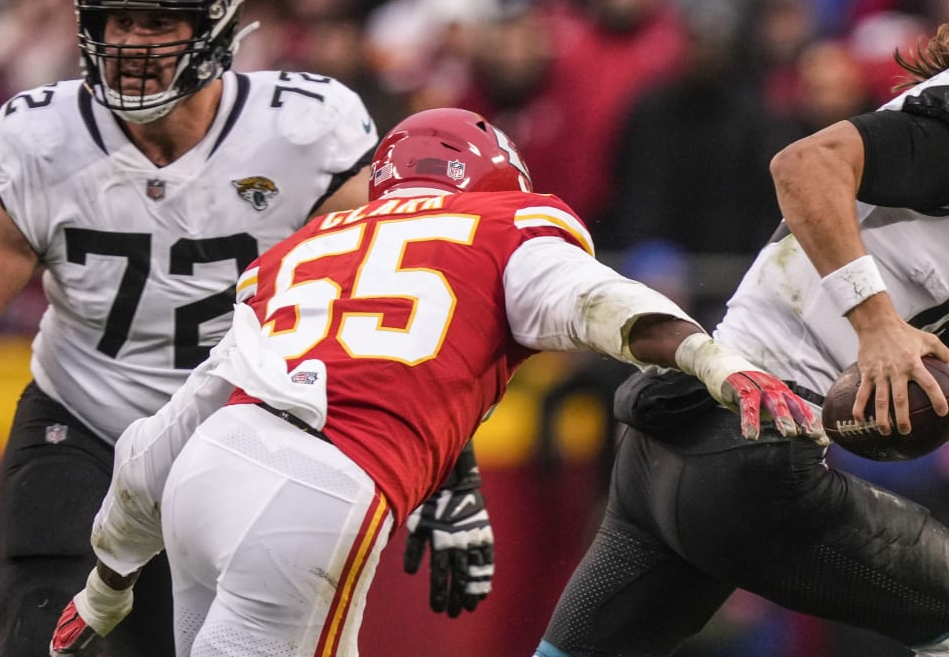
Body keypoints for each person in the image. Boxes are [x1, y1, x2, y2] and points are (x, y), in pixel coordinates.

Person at [535, 0, 949, 656]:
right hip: (754, 452)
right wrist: (877, 323)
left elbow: (945, 382)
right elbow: (803, 165)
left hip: (675, 446)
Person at [45, 107, 827, 656]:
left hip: (204, 476)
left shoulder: (301, 251)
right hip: (318, 489)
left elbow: (165, 434)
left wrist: (105, 589)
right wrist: (715, 358)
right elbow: (603, 306)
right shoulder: (506, 226)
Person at [0, 0, 380, 654]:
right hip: (84, 419)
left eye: (158, 23)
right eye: (118, 22)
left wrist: (451, 467)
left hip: (246, 430)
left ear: (215, 28)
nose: (132, 44)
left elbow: (372, 307)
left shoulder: (304, 131)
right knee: (38, 631)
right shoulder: (36, 137)